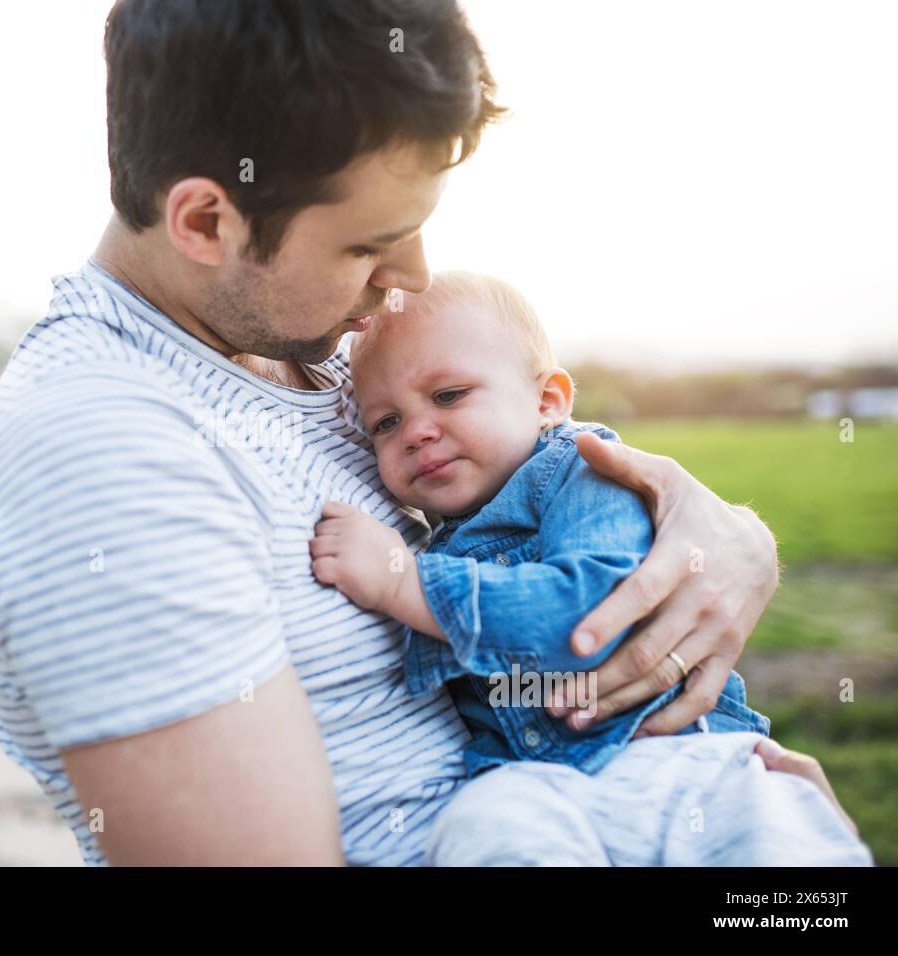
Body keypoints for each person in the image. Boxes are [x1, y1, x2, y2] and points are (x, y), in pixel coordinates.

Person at [0, 0, 834, 866]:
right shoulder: (100, 457)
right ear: (205, 223)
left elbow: (560, 467)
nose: (410, 279)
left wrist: (732, 539)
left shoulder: (340, 359)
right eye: (370, 246)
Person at [310, 272, 871, 864]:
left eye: (449, 395)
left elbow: (589, 613)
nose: (418, 431)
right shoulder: (440, 534)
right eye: (385, 423)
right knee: (483, 824)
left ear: (547, 401)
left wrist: (402, 581)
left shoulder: (579, 473)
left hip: (677, 760)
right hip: (532, 781)